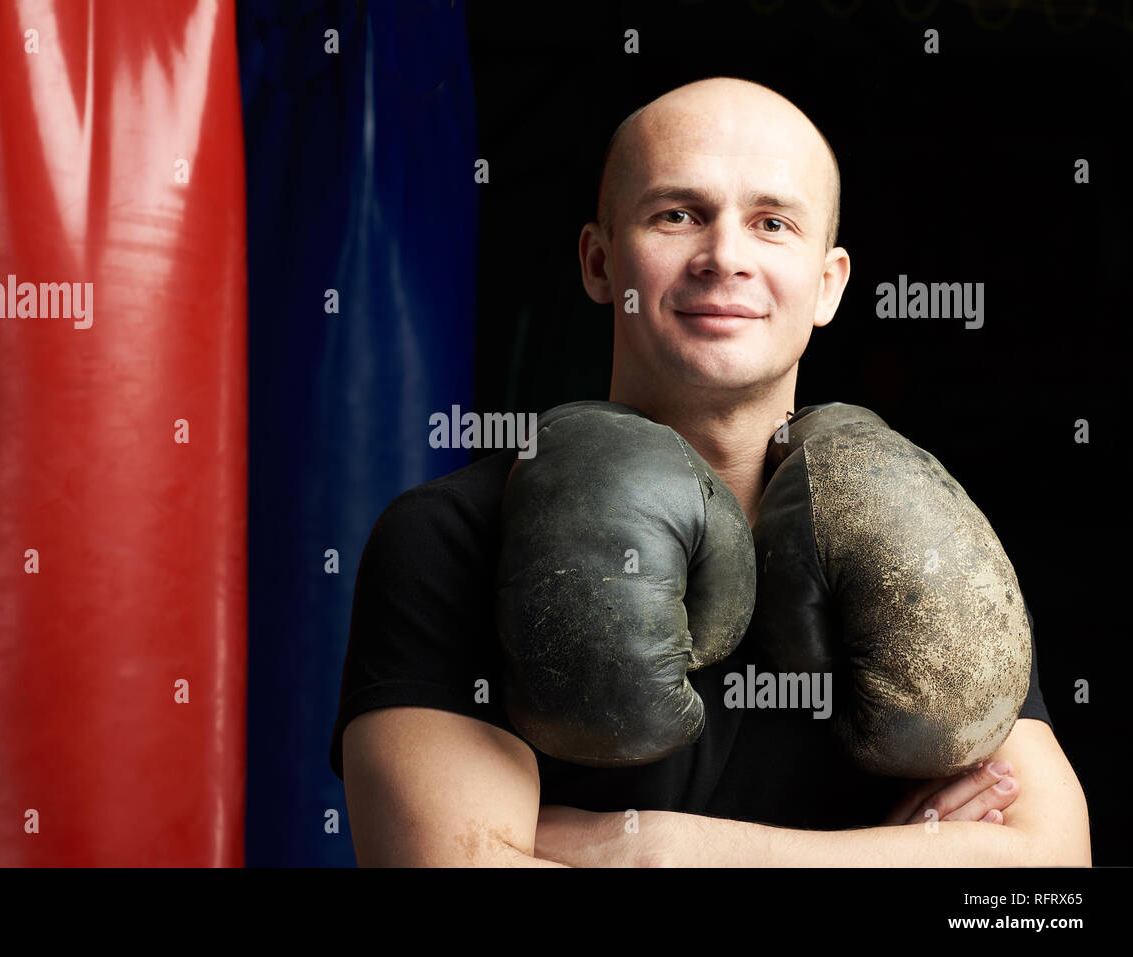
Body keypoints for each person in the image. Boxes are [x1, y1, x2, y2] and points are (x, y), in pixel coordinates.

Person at [328, 76, 1091, 866]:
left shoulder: (928, 535)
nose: (725, 256)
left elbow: (1047, 880)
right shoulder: (449, 538)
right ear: (598, 262)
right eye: (678, 214)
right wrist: (901, 856)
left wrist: (659, 849)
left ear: (827, 285)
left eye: (772, 223)